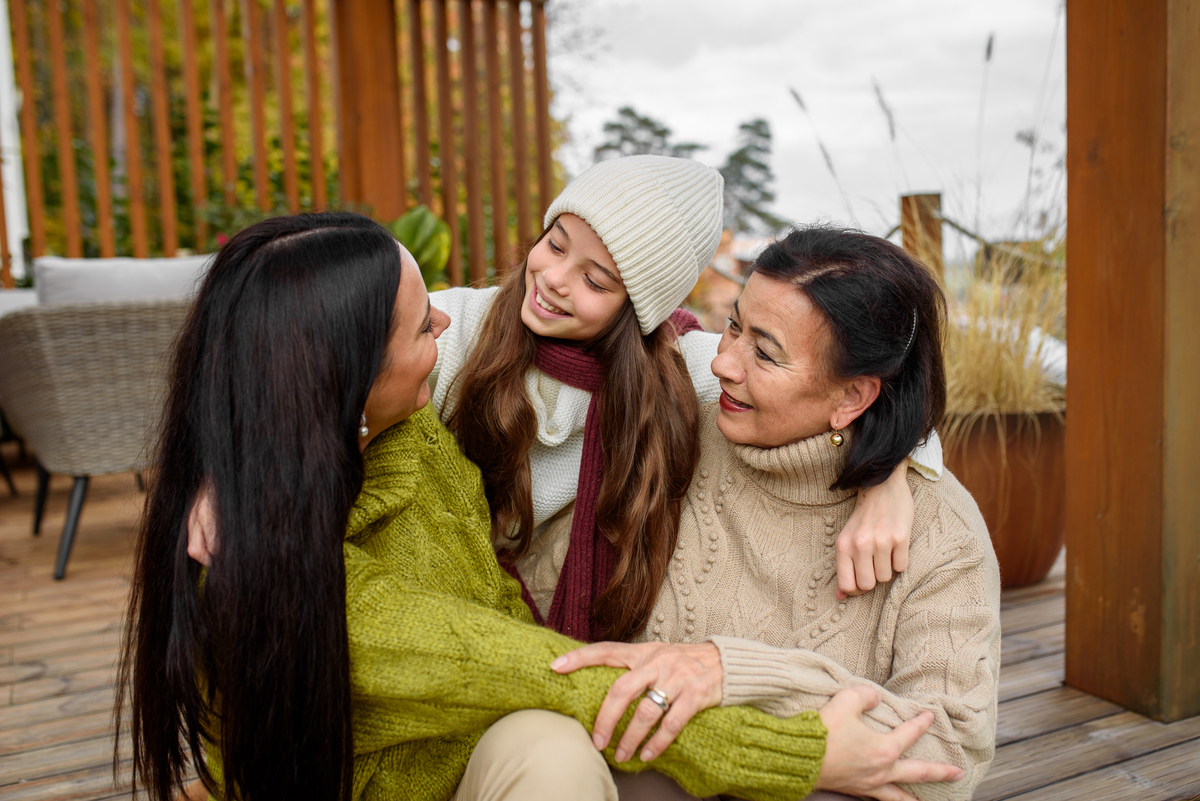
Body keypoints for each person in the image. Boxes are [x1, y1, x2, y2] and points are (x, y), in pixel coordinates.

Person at [118, 213, 965, 801]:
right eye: (421, 329)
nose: (445, 327)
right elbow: (538, 671)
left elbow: (826, 384)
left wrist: (893, 462)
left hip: (473, 738)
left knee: (552, 744)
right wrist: (803, 750)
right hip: (379, 769)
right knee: (557, 734)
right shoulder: (279, 571)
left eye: (598, 275)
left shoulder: (418, 433)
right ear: (342, 385)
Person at [554, 227, 1002, 801]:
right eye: (733, 325)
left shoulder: (942, 533)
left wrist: (733, 673)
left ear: (850, 399)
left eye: (765, 353)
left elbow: (947, 751)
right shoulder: (679, 422)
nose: (723, 363)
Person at [430, 155, 944, 645]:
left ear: (640, 305)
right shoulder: (457, 329)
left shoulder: (678, 368)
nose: (554, 279)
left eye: (594, 280)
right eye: (555, 244)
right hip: (442, 583)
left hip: (544, 612)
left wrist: (885, 479)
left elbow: (886, 406)